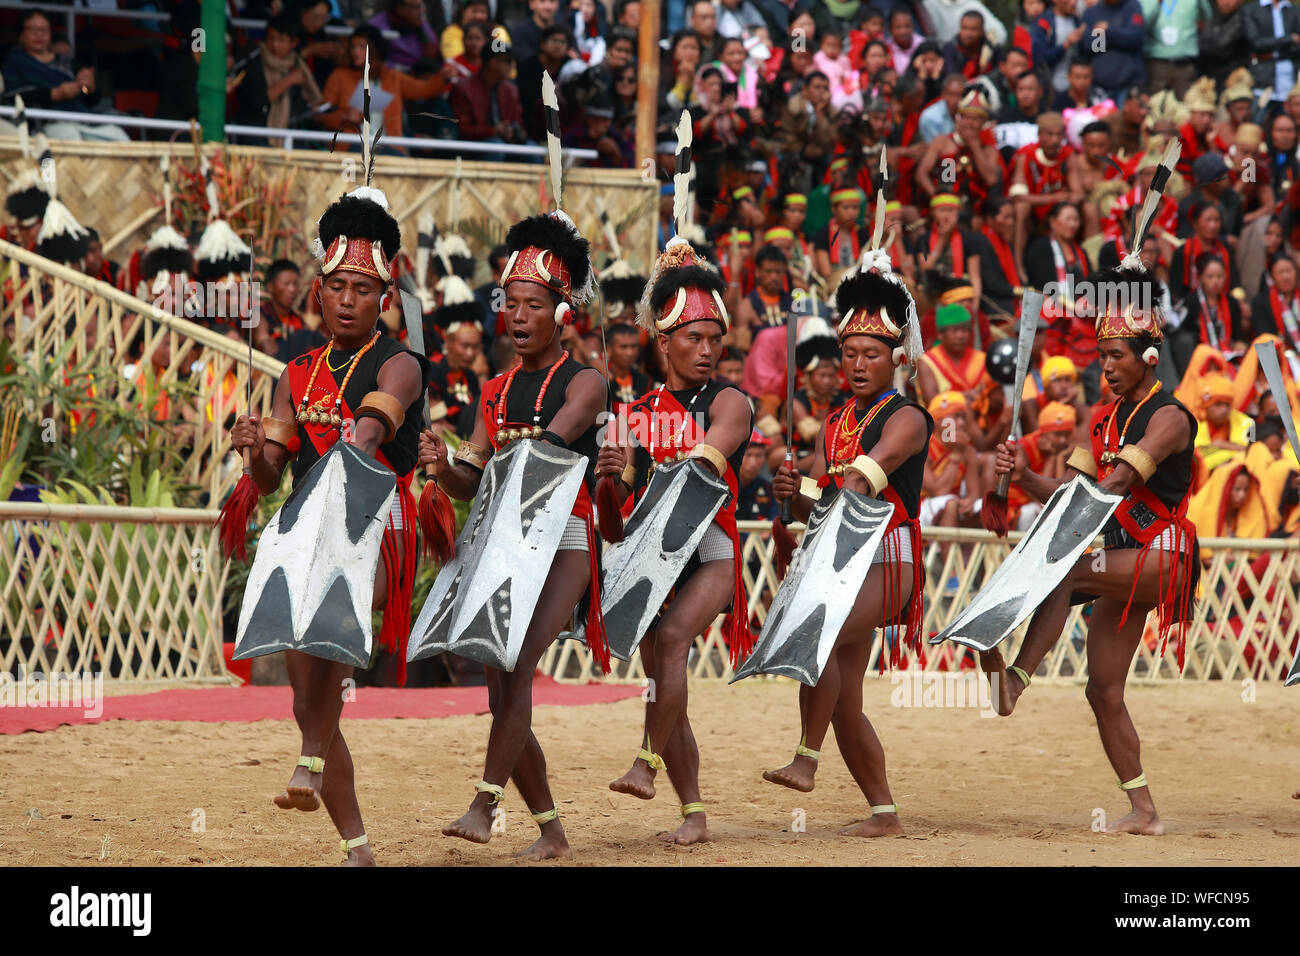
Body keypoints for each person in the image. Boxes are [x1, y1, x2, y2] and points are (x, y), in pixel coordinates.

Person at [226, 188, 427, 866]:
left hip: (381, 522)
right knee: (303, 696)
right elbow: (269, 480)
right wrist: (256, 449)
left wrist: (337, 443)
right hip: (310, 526)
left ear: (384, 299)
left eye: (362, 288)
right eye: (337, 286)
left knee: (331, 613)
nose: (347, 299)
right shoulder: (296, 371)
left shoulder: (400, 363)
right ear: (318, 293)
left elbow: (367, 438)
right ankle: (358, 847)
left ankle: (311, 758)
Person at [981, 259, 1199, 836]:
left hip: (1165, 557)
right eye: (1101, 357)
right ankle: (1145, 812)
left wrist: (1078, 502)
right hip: (1126, 560)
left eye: (1116, 357)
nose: (1105, 368)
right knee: (1102, 689)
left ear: (1149, 356)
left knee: (1069, 573)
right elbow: (1074, 494)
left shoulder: (1169, 416)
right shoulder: (1104, 422)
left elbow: (1119, 484)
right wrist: (1025, 477)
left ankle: (1015, 683)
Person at [414, 209, 607, 860]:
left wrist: (479, 464)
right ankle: (551, 829)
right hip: (504, 543)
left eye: (533, 305)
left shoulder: (585, 381)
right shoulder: (492, 390)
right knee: (501, 686)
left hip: (566, 544)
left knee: (515, 664)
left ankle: (484, 801)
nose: (519, 316)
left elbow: (550, 448)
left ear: (561, 312)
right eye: (512, 304)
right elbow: (472, 477)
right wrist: (444, 468)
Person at [755, 255, 931, 837]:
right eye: (850, 353)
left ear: (895, 358)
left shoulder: (908, 418)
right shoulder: (834, 422)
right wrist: (795, 489)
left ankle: (807, 758)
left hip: (887, 558)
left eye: (871, 354)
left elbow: (859, 485)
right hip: (841, 558)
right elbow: (825, 499)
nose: (857, 364)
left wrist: (817, 487)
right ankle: (885, 814)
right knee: (848, 701)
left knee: (819, 632)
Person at [597, 235, 753, 845]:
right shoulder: (631, 411)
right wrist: (610, 479)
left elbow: (707, 466)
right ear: (663, 342)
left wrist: (641, 452)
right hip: (648, 559)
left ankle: (645, 762)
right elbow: (614, 525)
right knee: (670, 680)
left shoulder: (731, 400)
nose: (708, 349)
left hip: (710, 551)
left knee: (668, 639)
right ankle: (694, 814)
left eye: (716, 339)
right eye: (694, 338)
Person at [318, 27, 452, 140]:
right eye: (352, 47)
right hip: (352, 146)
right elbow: (321, 114)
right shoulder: (339, 76)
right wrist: (344, 117)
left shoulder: (392, 77)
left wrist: (443, 77)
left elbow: (423, 90)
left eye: (362, 46)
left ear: (376, 49)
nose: (355, 51)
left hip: (388, 145)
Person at [918, 303, 987, 405]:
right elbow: (932, 401)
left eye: (964, 330)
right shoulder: (927, 362)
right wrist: (963, 396)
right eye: (955, 330)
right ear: (940, 335)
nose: (961, 336)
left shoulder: (981, 358)